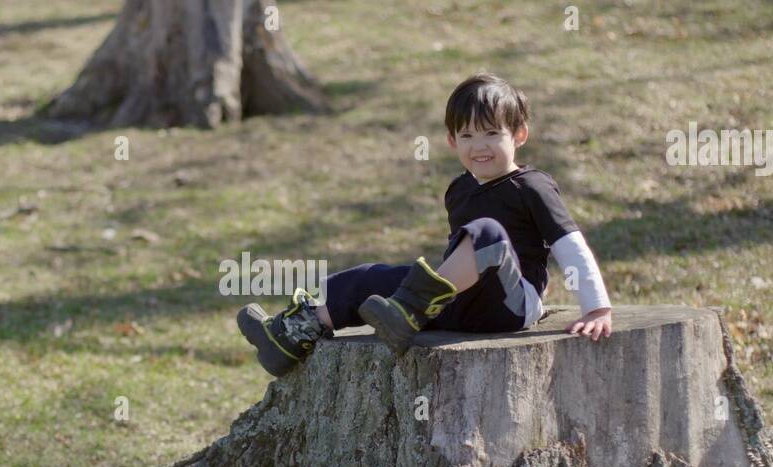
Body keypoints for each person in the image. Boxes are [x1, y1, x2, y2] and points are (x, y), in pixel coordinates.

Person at [238, 73, 613, 377]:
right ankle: (290, 335)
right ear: (451, 141)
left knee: (486, 232)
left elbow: (570, 245)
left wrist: (596, 307)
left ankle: (408, 311)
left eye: (491, 133)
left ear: (519, 135)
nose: (478, 146)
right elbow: (458, 257)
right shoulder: (459, 190)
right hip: (458, 303)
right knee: (368, 278)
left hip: (511, 307)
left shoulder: (532, 186)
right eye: (466, 135)